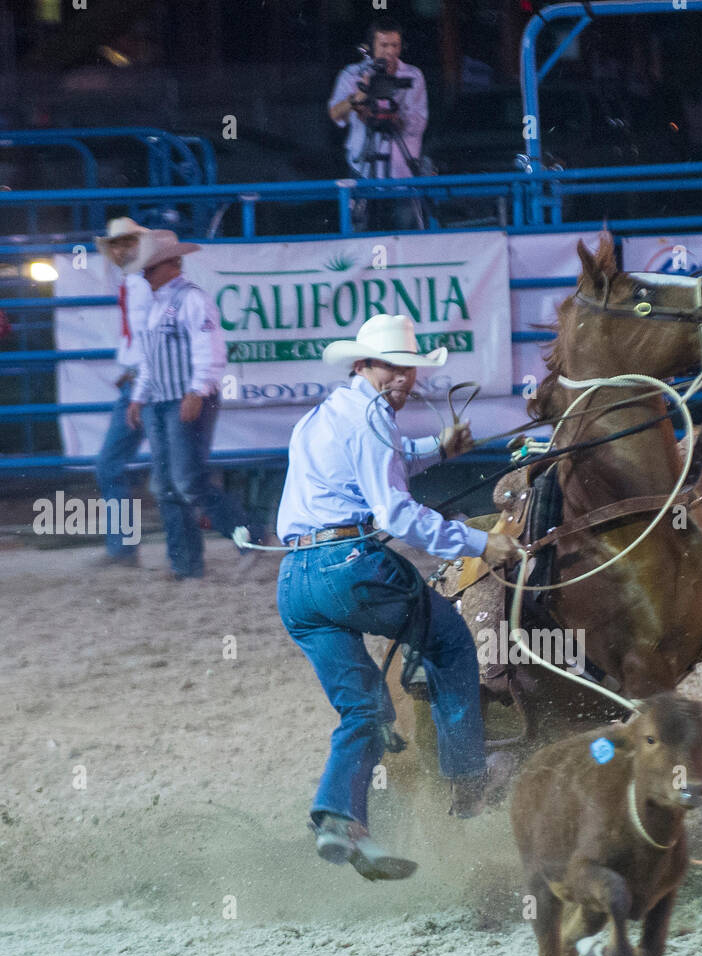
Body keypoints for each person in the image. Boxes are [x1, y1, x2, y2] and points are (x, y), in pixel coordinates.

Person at [276, 313, 520, 881]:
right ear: (363, 365)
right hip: (351, 569)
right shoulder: (372, 416)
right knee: (452, 643)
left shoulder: (323, 417)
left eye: (409, 370)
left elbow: (377, 466)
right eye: (393, 368)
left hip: (295, 582)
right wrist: (483, 543)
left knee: (364, 709)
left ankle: (341, 818)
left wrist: (437, 447)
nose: (404, 380)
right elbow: (394, 512)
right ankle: (468, 779)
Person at [127, 231, 253, 579]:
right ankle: (186, 563)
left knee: (185, 482)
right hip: (162, 400)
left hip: (184, 399)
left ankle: (249, 537)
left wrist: (197, 390)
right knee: (169, 484)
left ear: (173, 265)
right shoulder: (157, 303)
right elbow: (149, 359)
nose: (145, 275)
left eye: (150, 269)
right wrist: (140, 394)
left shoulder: (191, 299)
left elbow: (208, 348)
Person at [328, 18, 428, 231]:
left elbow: (418, 122)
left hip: (403, 173)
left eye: (395, 45)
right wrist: (360, 95)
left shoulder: (413, 75)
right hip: (362, 167)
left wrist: (393, 118)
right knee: (360, 232)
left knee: (408, 234)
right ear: (372, 47)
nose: (390, 52)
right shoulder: (353, 74)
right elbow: (335, 114)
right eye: (384, 45)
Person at [91, 217, 153, 566]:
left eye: (127, 243)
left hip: (142, 385)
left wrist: (139, 382)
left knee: (110, 465)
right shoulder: (135, 281)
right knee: (181, 473)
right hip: (141, 382)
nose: (120, 250)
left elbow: (147, 339)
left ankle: (123, 548)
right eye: (116, 244)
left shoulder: (139, 284)